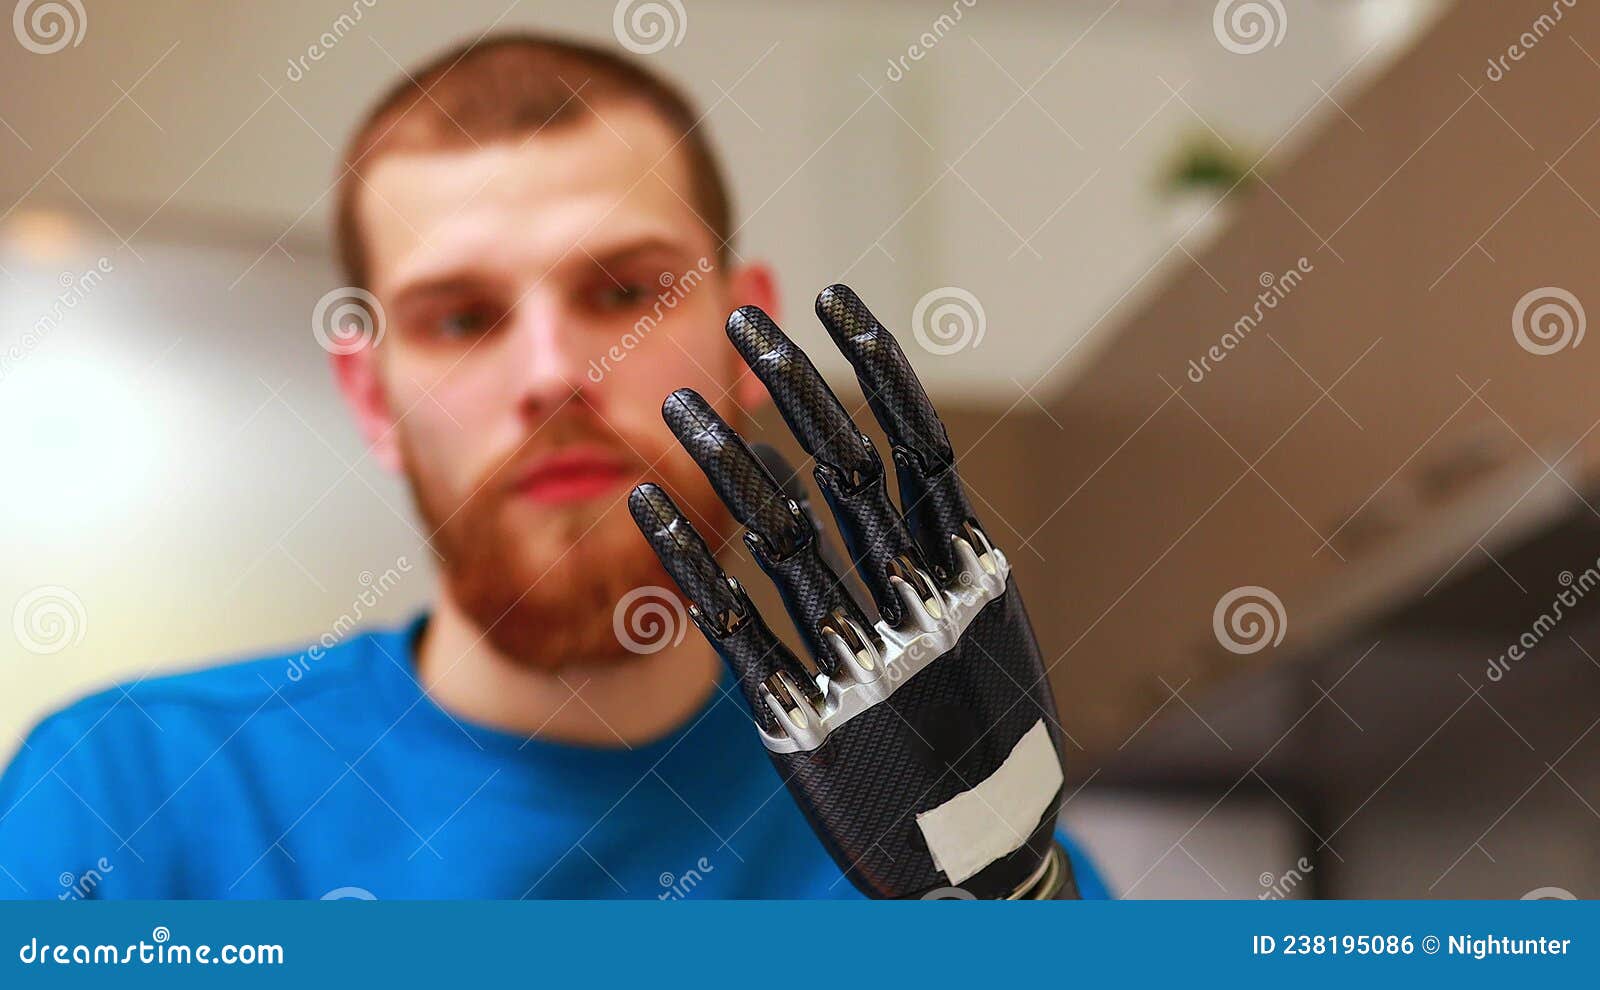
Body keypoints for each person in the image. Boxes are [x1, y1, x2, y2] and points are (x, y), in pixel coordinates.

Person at [0, 33, 1105, 900]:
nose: (553, 375)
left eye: (623, 293)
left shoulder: (972, 830)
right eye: (461, 317)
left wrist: (1016, 905)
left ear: (745, 342)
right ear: (370, 396)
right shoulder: (124, 797)